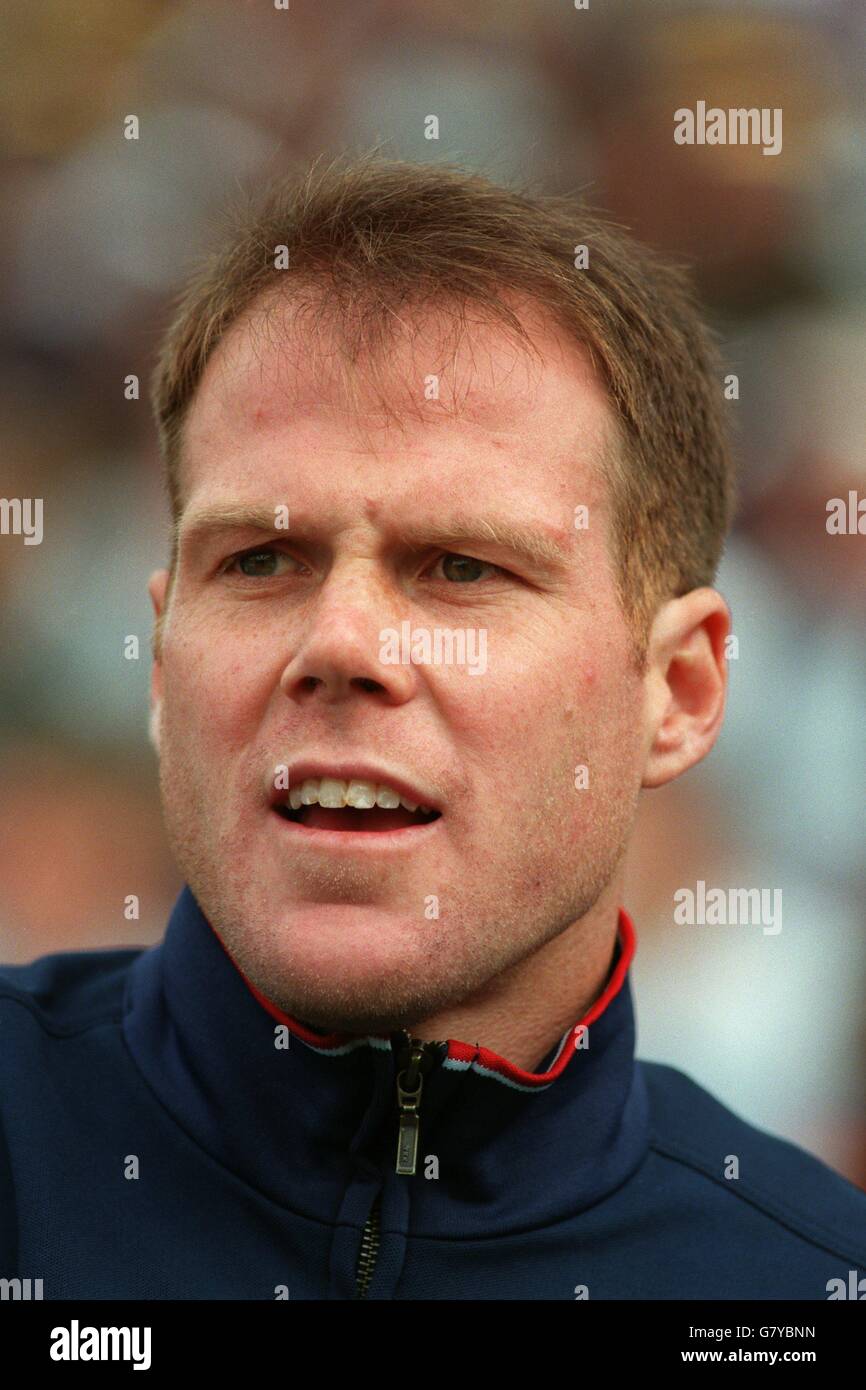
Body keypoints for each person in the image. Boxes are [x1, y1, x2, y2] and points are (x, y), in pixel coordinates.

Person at [2, 155, 864, 1300]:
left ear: (680, 693)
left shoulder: (799, 1293)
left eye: (461, 565)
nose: (341, 644)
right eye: (259, 560)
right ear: (160, 663)